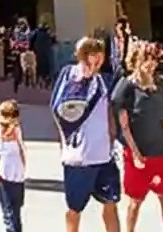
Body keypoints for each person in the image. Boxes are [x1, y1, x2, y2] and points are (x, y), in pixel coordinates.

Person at [51, 37, 121, 232]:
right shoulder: (69, 75)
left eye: (101, 57)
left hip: (104, 156)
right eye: (93, 57)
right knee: (74, 209)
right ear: (83, 56)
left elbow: (108, 111)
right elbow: (58, 108)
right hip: (78, 158)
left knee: (111, 202)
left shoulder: (103, 80)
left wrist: (113, 137)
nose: (98, 62)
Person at [112, 41, 163, 232]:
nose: (150, 64)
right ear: (135, 61)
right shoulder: (126, 88)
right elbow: (123, 125)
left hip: (162, 153)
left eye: (153, 59)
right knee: (135, 202)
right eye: (145, 59)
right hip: (138, 155)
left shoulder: (162, 87)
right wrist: (134, 151)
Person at [0, 100, 27, 232]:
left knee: (8, 212)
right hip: (19, 178)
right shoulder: (17, 137)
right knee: (16, 211)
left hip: (5, 179)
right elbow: (23, 154)